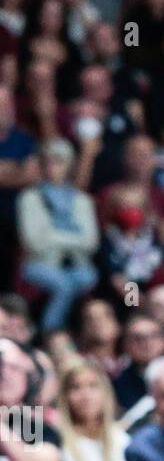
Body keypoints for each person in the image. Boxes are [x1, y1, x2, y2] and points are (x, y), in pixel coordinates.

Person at [16, 138, 99, 333]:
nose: (53, 167)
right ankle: (51, 333)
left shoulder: (82, 200)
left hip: (81, 266)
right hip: (41, 263)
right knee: (63, 285)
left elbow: (90, 242)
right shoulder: (30, 198)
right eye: (48, 161)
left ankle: (85, 331)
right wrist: (72, 237)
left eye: (59, 161)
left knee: (89, 278)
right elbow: (34, 241)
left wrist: (53, 236)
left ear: (69, 164)